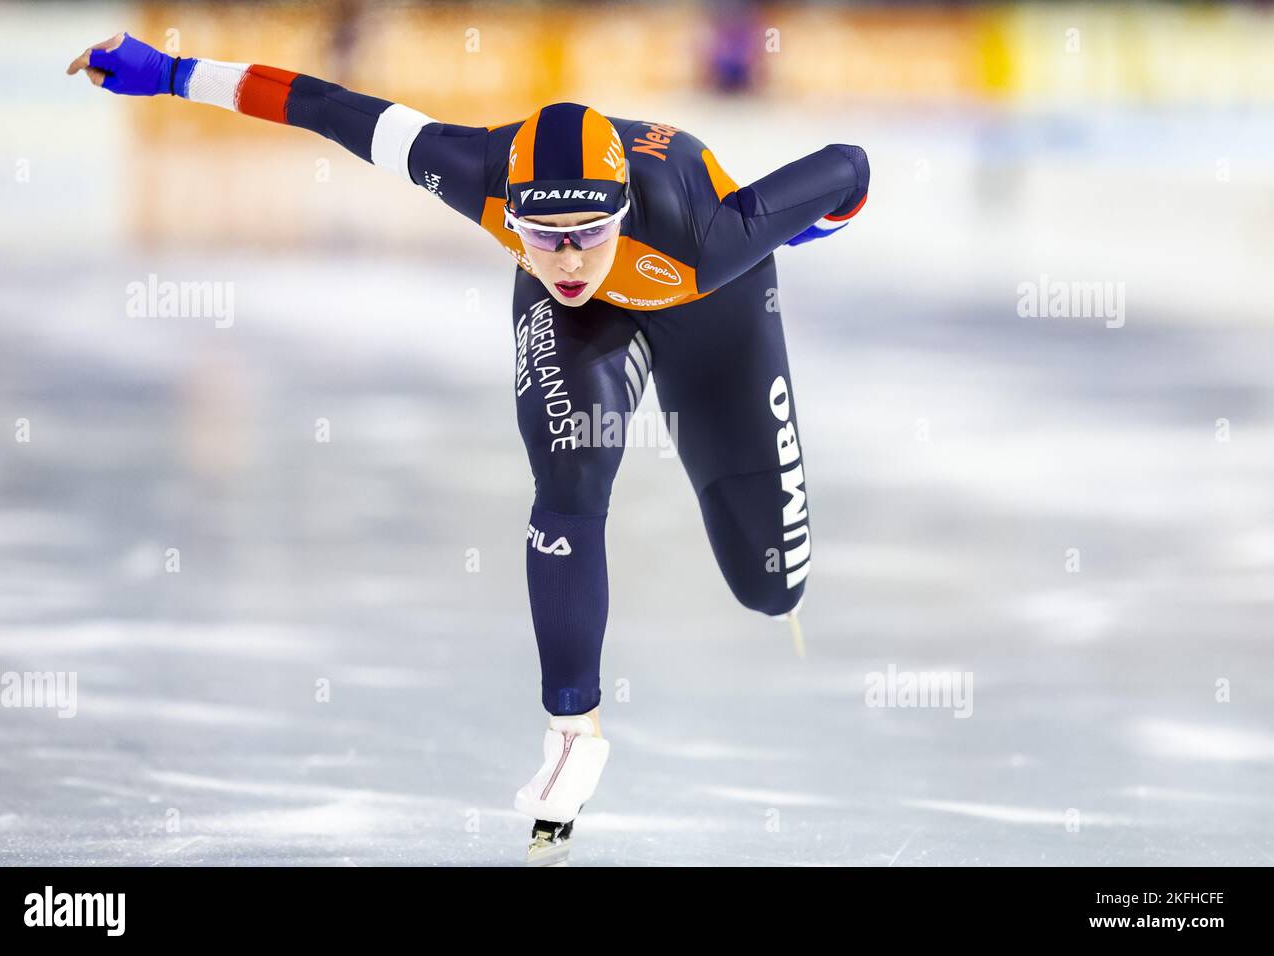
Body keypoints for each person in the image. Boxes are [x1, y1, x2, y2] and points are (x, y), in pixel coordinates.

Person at [68, 32, 870, 863]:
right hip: (584, 330)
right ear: (509, 206)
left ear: (622, 210)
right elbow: (324, 106)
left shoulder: (713, 233)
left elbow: (850, 166)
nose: (564, 257)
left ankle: (762, 570)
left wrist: (789, 230)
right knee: (571, 466)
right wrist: (169, 73)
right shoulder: (471, 169)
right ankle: (573, 730)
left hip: (715, 304)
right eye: (539, 231)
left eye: (587, 232)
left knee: (772, 585)